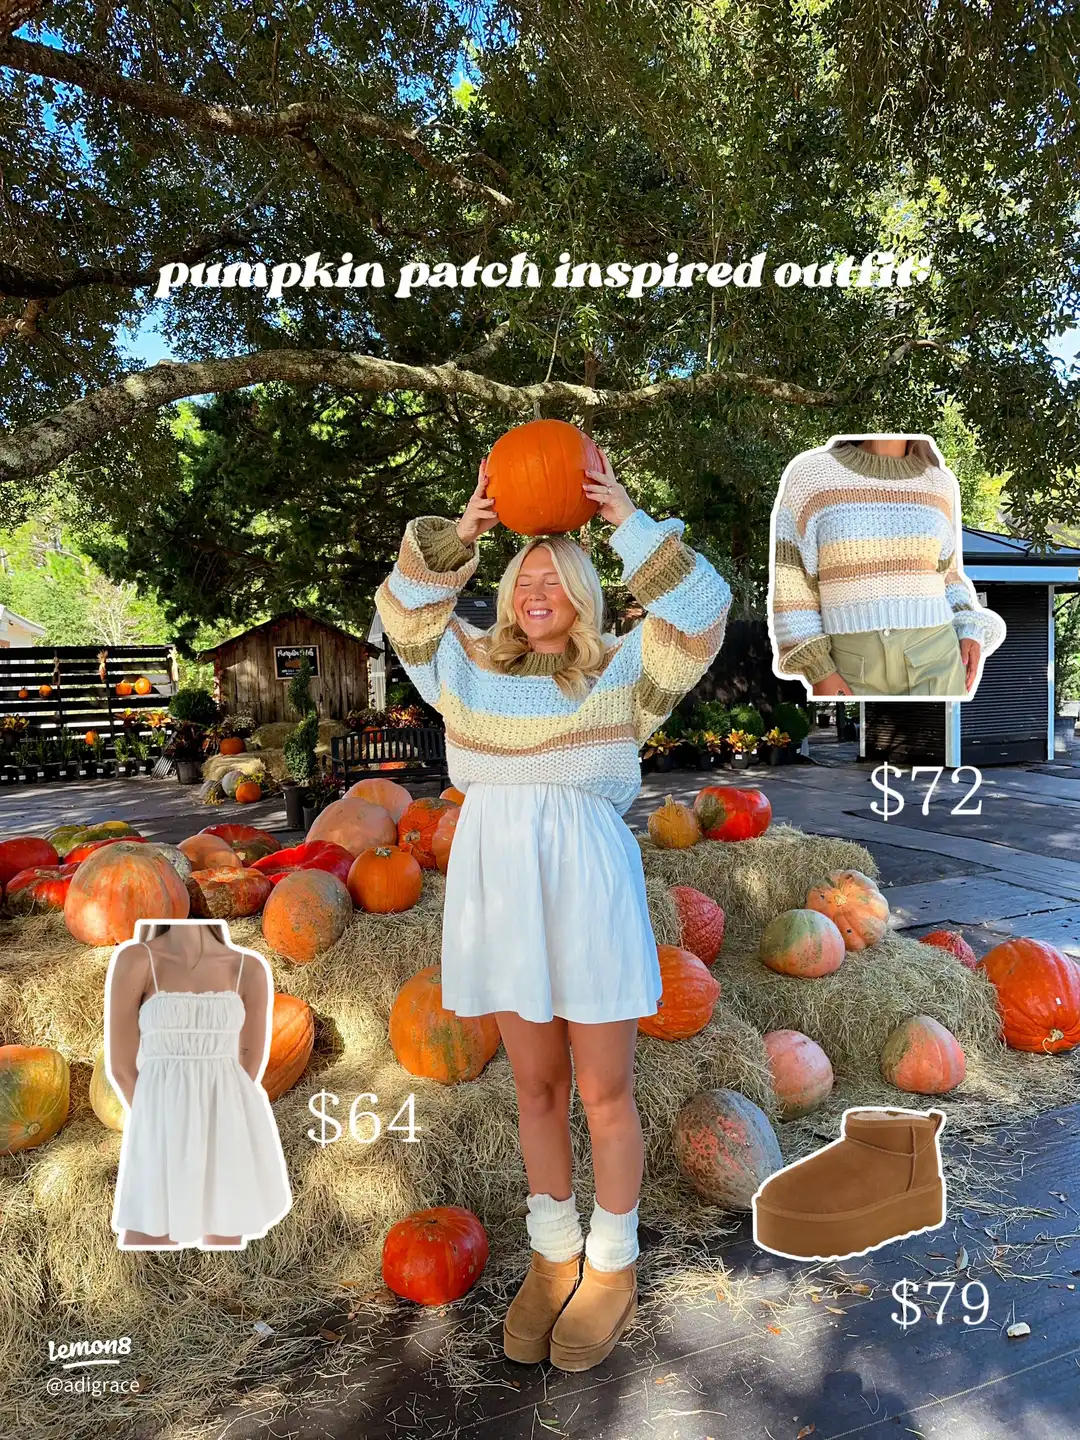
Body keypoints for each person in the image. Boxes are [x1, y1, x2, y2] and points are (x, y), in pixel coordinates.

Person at [374, 444, 731, 1371]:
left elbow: (705, 611)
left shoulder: (625, 673)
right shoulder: (464, 672)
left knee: (606, 1091)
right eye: (522, 576)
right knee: (537, 1087)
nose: (534, 589)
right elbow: (404, 615)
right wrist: (456, 541)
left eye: (553, 576)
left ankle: (612, 1265)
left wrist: (625, 520)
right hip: (499, 891)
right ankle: (553, 1252)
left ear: (582, 590)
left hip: (587, 890)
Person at [770, 435, 1005, 698]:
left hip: (938, 657)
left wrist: (967, 626)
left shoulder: (938, 484)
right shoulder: (813, 475)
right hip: (848, 666)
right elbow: (792, 578)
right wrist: (819, 668)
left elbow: (947, 575)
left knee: (941, 741)